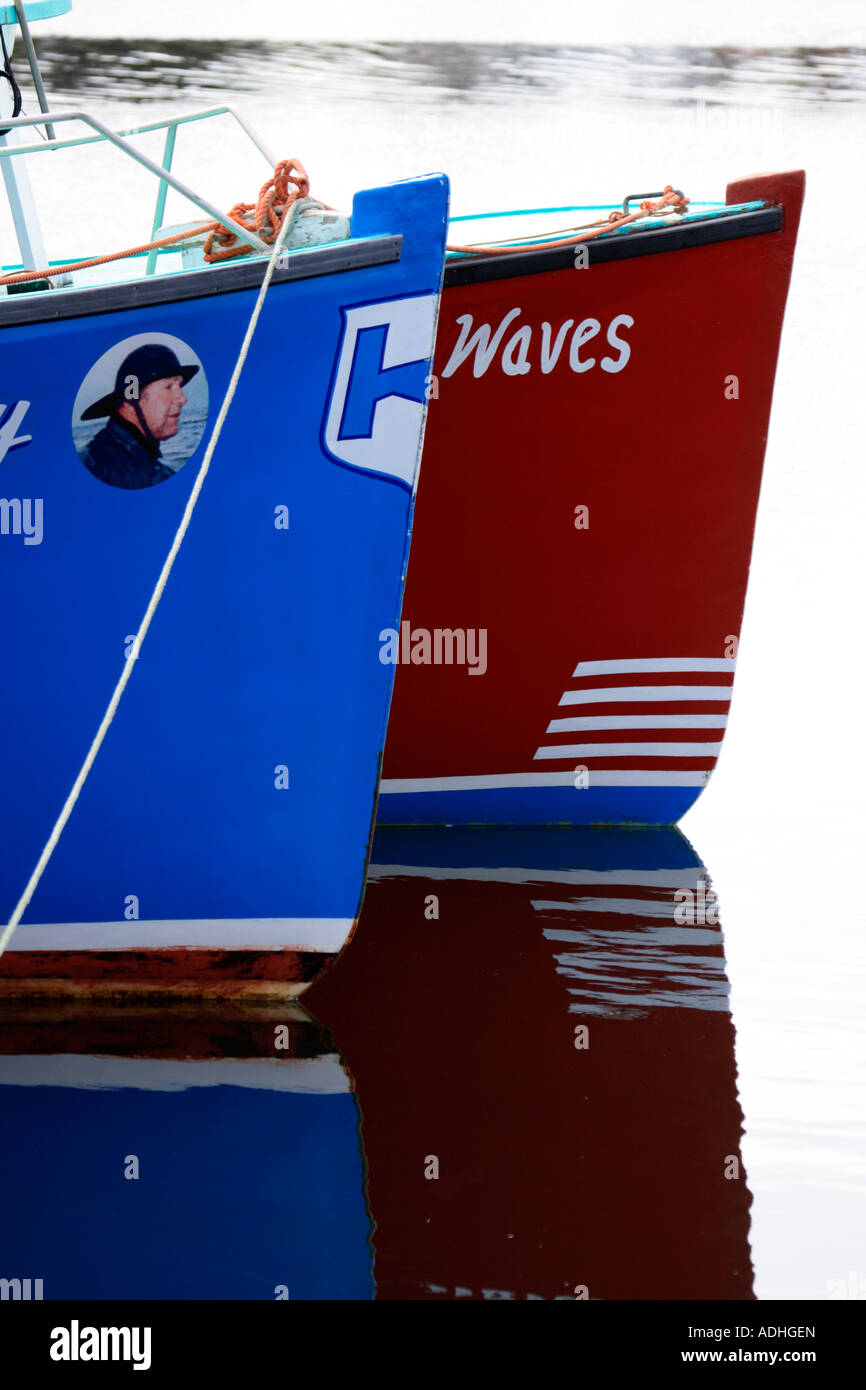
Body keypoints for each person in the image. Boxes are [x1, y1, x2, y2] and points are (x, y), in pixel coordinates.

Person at [79, 344, 199, 489]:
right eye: (168, 387)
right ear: (130, 403)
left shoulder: (92, 461)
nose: (182, 398)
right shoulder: (105, 471)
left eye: (180, 386)